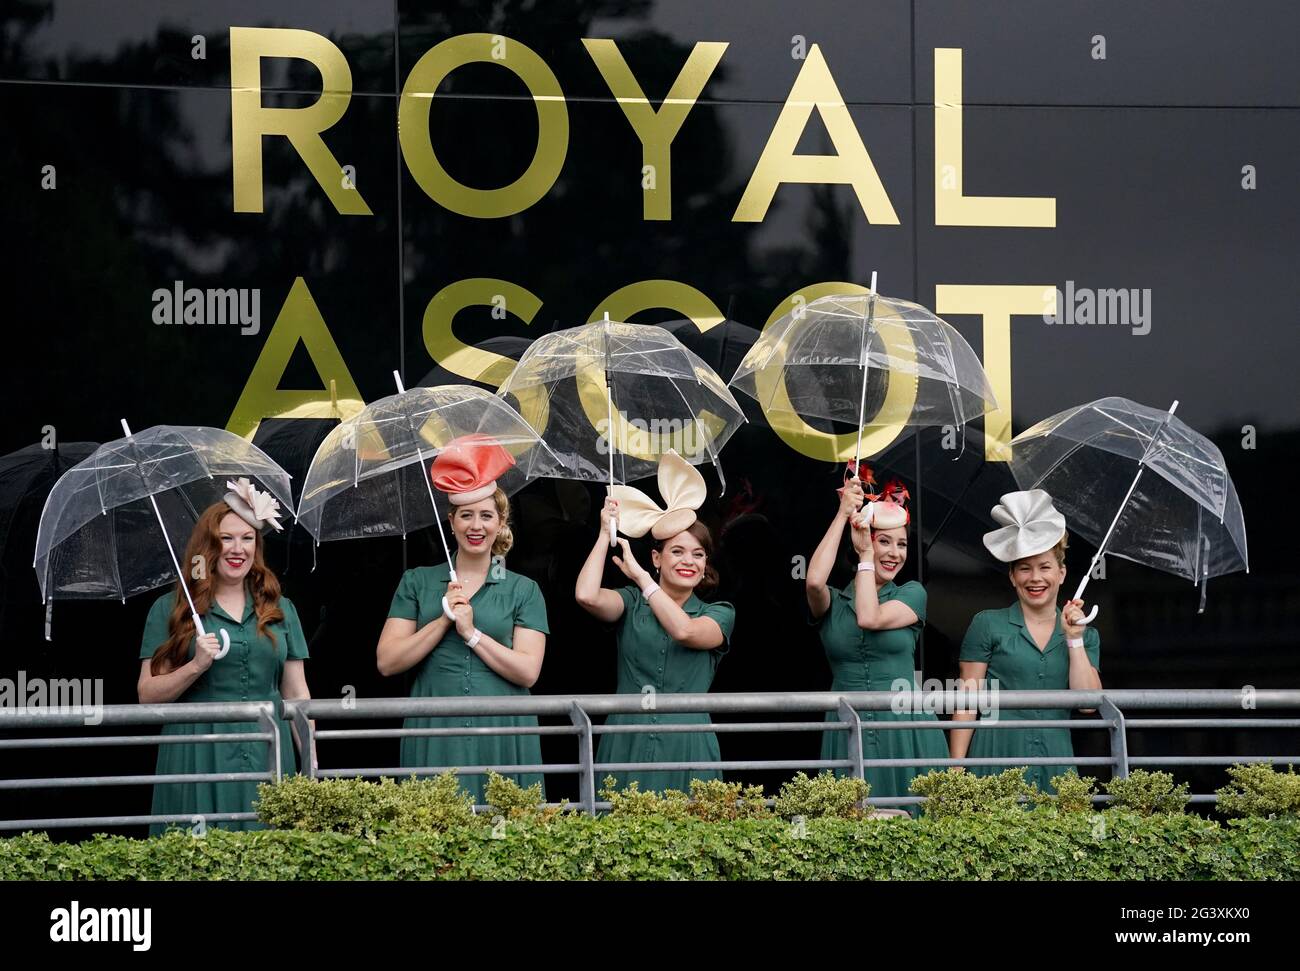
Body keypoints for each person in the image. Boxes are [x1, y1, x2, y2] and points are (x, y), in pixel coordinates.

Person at [376, 436, 548, 804]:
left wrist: (471, 634)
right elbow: (387, 662)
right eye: (466, 515)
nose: (476, 525)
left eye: (486, 515)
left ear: (501, 522)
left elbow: (528, 671)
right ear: (450, 521)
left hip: (506, 731)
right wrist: (442, 619)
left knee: (505, 838)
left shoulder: (524, 589)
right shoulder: (418, 581)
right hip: (436, 728)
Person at [138, 477, 312, 835]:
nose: (238, 549)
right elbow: (147, 696)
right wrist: (195, 666)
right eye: (226, 538)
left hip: (270, 752)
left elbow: (297, 694)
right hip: (197, 756)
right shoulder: (170, 609)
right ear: (209, 546)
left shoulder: (282, 609)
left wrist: (310, 765)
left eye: (248, 538)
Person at [575, 450, 735, 793]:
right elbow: (586, 596)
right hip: (626, 739)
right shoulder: (630, 603)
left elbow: (684, 630)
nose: (688, 561)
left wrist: (642, 580)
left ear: (706, 563)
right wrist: (605, 534)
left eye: (698, 554)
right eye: (677, 551)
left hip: (688, 743)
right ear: (656, 558)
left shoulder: (719, 612)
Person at [805, 471, 947, 814]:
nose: (894, 553)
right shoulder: (835, 602)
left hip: (906, 729)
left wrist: (867, 557)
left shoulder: (913, 594)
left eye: (902, 544)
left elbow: (870, 617)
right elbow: (813, 582)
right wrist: (843, 514)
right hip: (846, 725)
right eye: (884, 541)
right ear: (864, 539)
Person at [949, 489, 1102, 793]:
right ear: (1012, 576)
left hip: (1056, 764)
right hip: (994, 757)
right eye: (1024, 568)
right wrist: (955, 770)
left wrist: (1074, 640)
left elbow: (1088, 705)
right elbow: (967, 703)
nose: (1035, 578)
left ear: (1061, 573)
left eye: (1045, 567)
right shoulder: (986, 623)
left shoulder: (1087, 634)